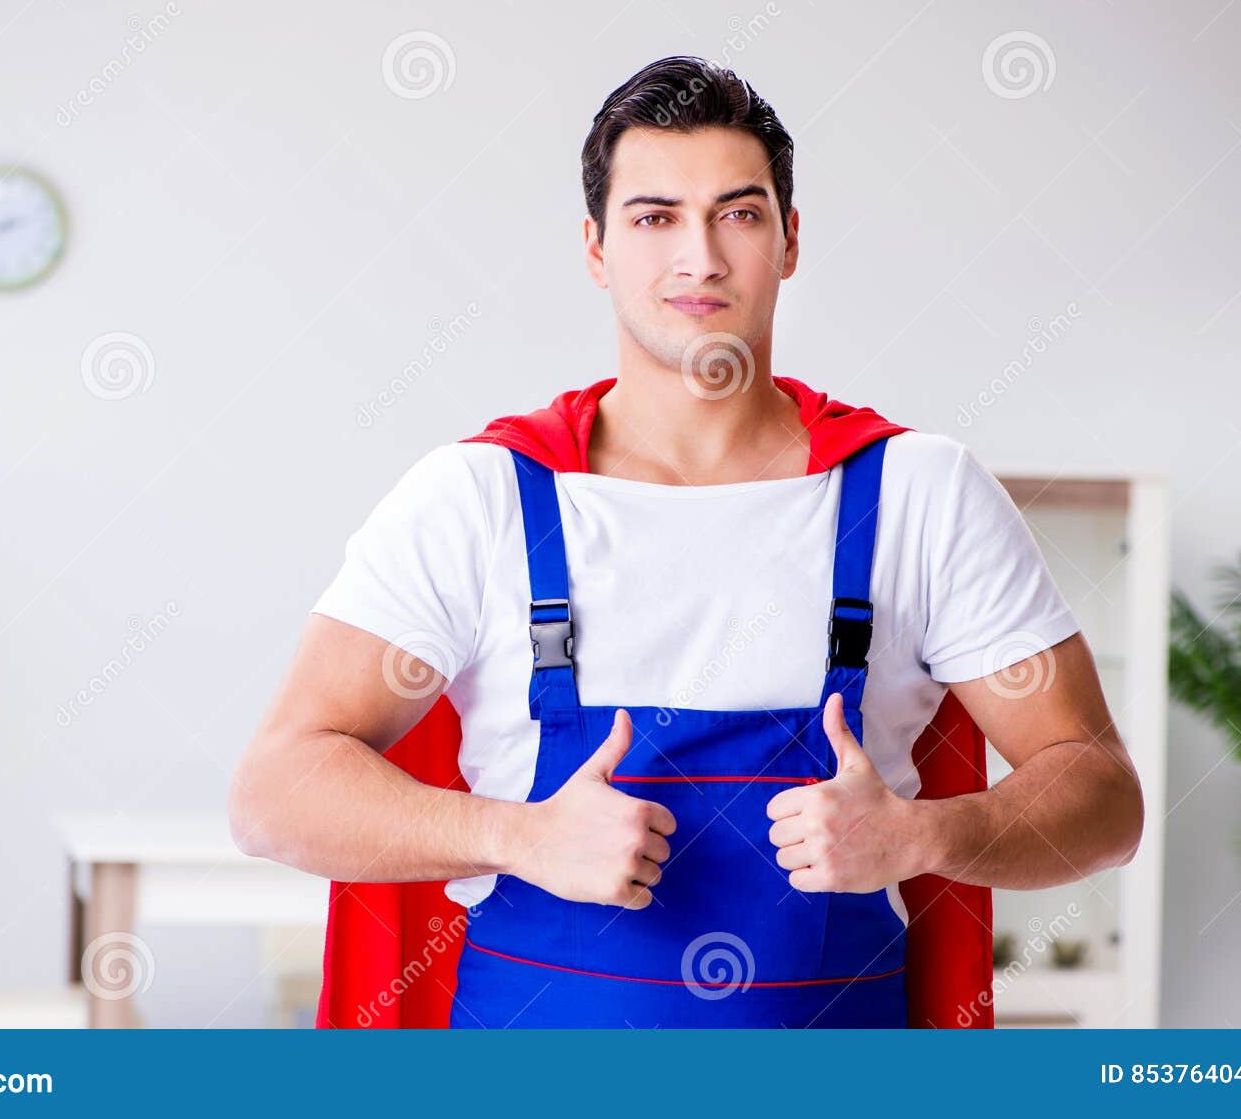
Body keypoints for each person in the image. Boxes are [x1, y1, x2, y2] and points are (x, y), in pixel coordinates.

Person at [229, 55, 1144, 1029]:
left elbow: (1102, 797)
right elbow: (274, 792)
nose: (700, 257)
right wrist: (519, 836)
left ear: (790, 241)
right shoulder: (478, 499)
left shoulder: (920, 494)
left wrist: (921, 836)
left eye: (738, 214)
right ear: (595, 248)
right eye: (654, 217)